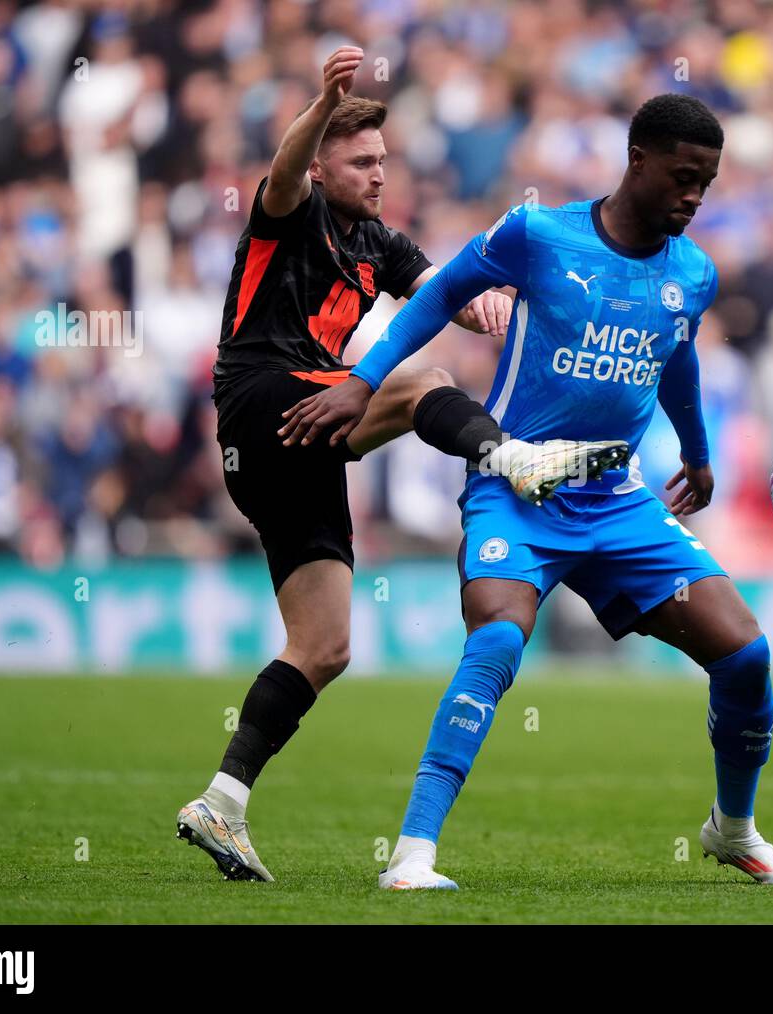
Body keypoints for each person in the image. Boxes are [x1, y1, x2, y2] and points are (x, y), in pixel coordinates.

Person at [283, 93, 773, 889]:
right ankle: (413, 853)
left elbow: (679, 356)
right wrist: (363, 381)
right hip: (515, 486)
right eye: (682, 177)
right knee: (496, 639)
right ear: (637, 161)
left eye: (706, 182)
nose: (694, 197)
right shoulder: (539, 234)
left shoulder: (692, 274)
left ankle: (732, 830)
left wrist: (698, 455)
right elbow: (439, 292)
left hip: (617, 498)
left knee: (746, 654)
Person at [176, 46, 626, 882]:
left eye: (384, 159)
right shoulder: (291, 208)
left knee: (326, 644)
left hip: (302, 441)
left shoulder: (377, 240)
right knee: (421, 381)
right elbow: (280, 170)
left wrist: (489, 297)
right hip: (264, 394)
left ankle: (222, 801)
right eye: (362, 160)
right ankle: (514, 462)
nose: (380, 174)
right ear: (322, 164)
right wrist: (320, 103)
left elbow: (439, 286)